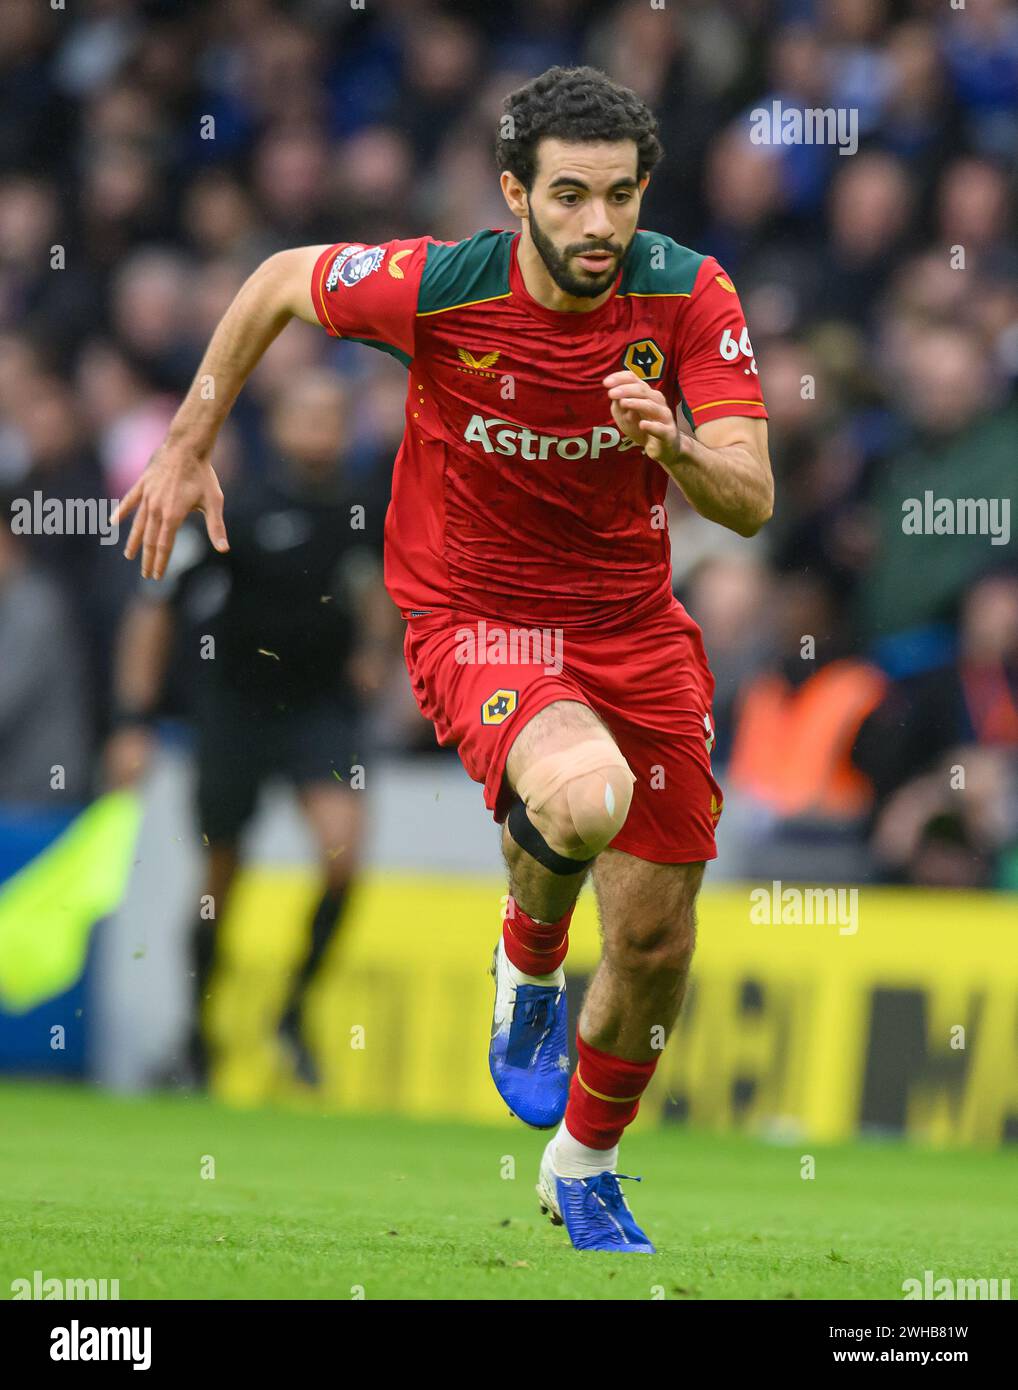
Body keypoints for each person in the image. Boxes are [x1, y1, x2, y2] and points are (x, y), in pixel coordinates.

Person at [113, 66, 773, 1253]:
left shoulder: (688, 293)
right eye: (568, 196)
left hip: (633, 628)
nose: (599, 224)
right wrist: (187, 441)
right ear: (514, 194)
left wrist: (674, 446)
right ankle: (528, 964)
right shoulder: (439, 286)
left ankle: (583, 1163)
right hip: (477, 615)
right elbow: (275, 280)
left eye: (620, 196)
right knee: (584, 795)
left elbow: (753, 499)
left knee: (655, 941)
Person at [106, 371, 394, 1087]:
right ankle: (198, 1035)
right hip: (236, 707)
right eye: (309, 415)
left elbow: (382, 586)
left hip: (320, 708)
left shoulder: (366, 507)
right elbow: (156, 603)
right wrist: (134, 719)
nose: (322, 430)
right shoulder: (235, 504)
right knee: (221, 880)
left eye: (334, 416)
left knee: (343, 857)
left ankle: (293, 1012)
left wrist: (373, 649)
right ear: (279, 426)